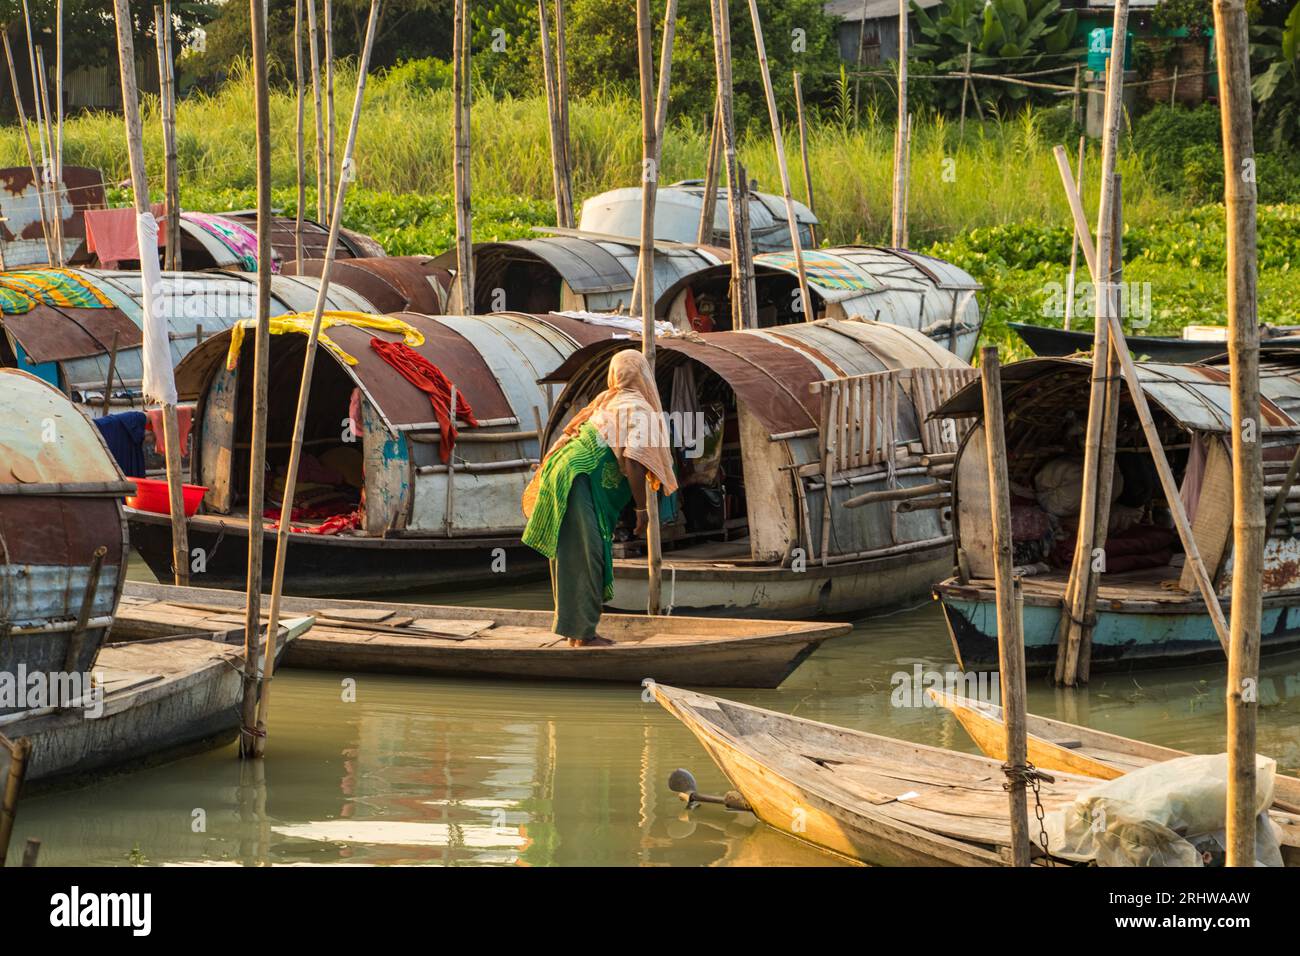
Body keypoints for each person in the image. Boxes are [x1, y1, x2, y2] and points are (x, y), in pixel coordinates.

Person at [522, 350, 678, 646]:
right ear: (644, 376)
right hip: (579, 476)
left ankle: (574, 630)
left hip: (564, 471)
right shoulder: (639, 409)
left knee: (571, 552)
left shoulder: (609, 400)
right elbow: (633, 461)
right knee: (588, 555)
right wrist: (642, 509)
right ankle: (583, 634)